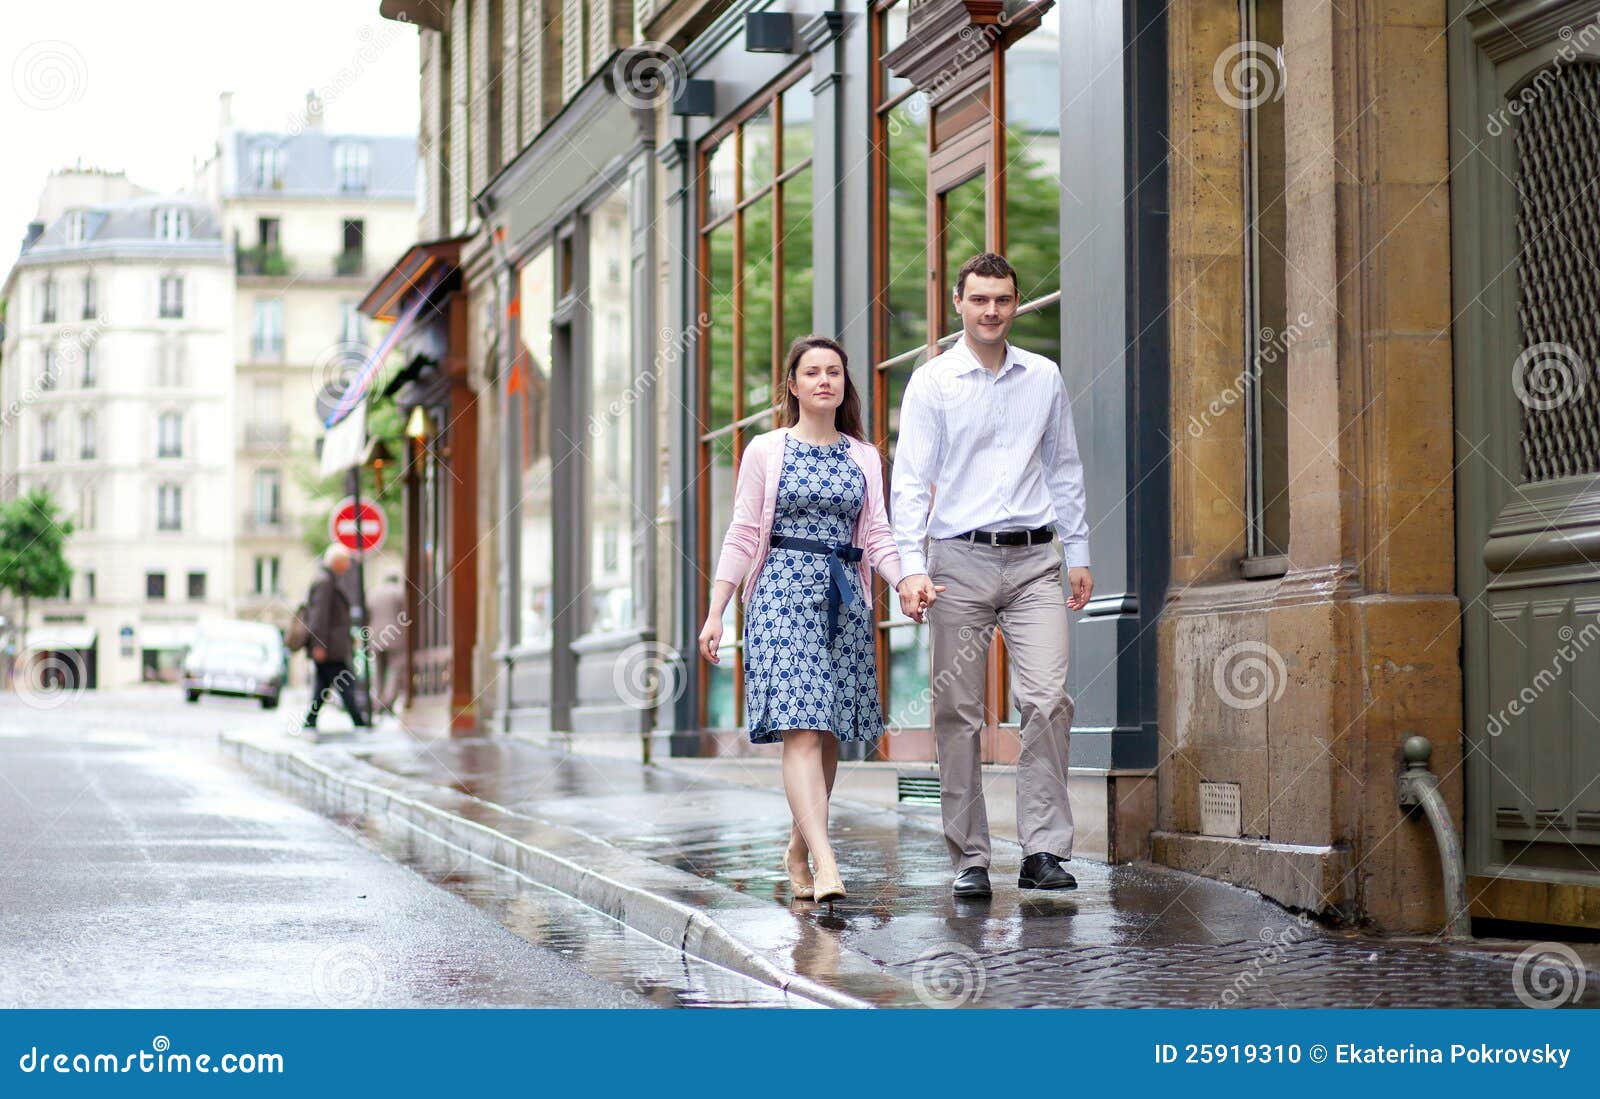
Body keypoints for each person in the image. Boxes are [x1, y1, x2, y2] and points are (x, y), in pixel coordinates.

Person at [891, 252, 1095, 899]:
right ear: (959, 303)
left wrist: (1081, 550)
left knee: (1046, 702)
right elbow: (908, 482)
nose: (991, 311)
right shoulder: (932, 382)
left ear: (1015, 305)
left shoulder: (1043, 376)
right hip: (959, 561)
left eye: (1002, 300)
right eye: (979, 299)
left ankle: (1042, 849)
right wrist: (911, 568)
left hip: (1036, 560)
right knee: (958, 711)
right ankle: (970, 857)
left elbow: (1064, 467)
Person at [699, 335, 907, 908]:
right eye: (811, 372)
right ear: (792, 385)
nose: (824, 381)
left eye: (834, 372)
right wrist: (717, 611)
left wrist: (904, 581)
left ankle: (798, 846)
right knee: (803, 726)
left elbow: (878, 535)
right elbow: (743, 531)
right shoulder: (766, 450)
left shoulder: (864, 455)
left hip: (844, 596)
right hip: (781, 596)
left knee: (829, 729)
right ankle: (826, 859)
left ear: (845, 385)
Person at [301, 544, 370, 732]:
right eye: (346, 562)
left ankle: (311, 720)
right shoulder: (325, 582)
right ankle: (359, 721)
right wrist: (319, 644)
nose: (348, 566)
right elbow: (319, 616)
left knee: (323, 686)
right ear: (337, 562)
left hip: (331, 646)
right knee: (345, 683)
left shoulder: (329, 580)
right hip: (329, 647)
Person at [366, 572, 408, 716]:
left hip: (376, 637)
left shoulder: (373, 593)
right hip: (395, 635)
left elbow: (366, 614)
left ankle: (378, 701)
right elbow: (406, 614)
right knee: (395, 670)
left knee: (379, 670)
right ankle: (388, 700)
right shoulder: (400, 592)